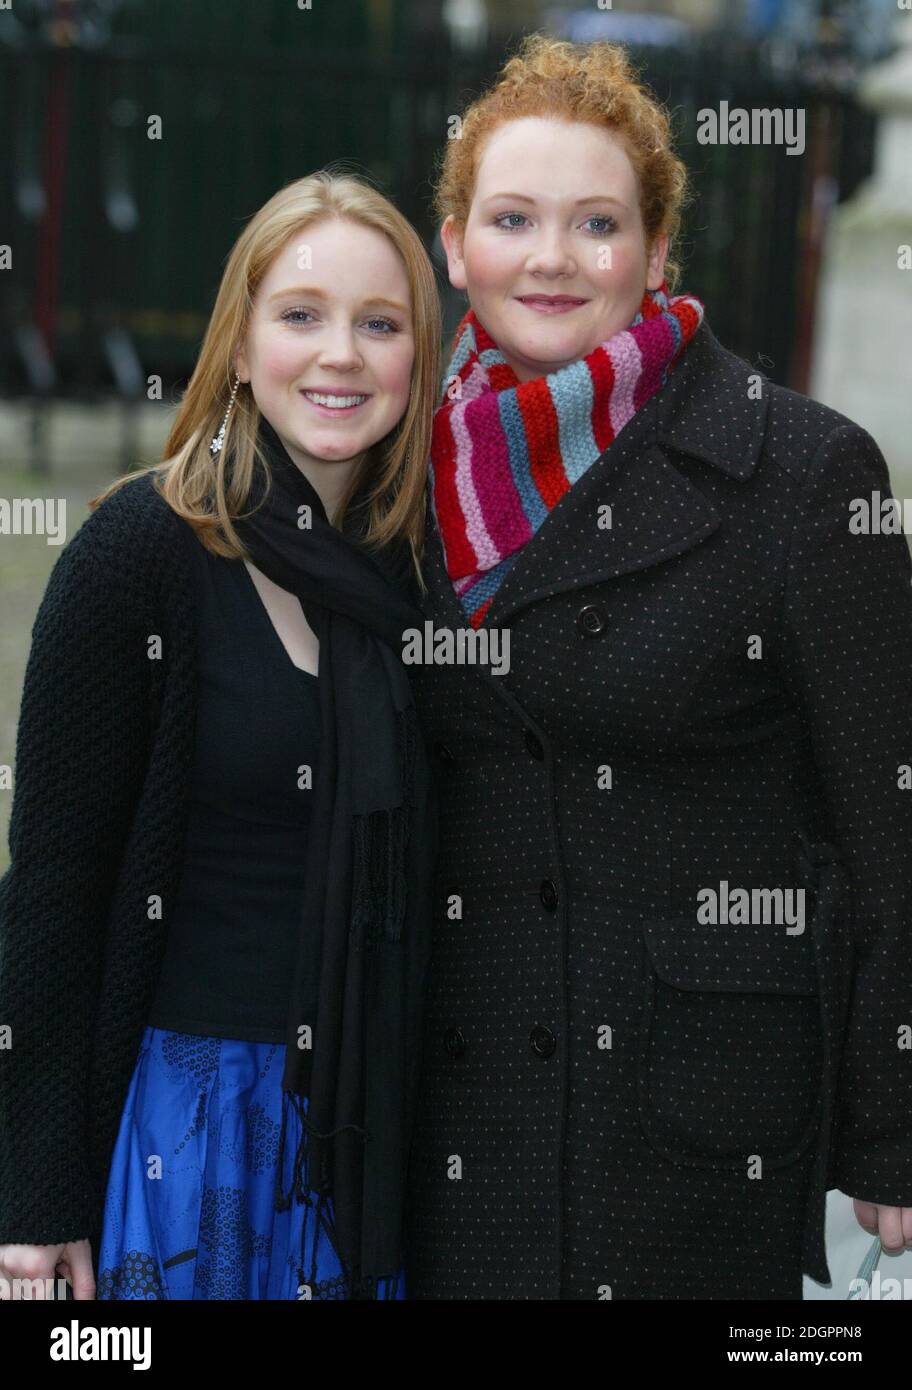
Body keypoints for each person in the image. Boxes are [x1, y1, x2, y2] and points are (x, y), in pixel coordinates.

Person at [402, 33, 912, 1299]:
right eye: (513, 218)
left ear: (656, 252)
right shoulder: (391, 470)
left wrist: (894, 1128)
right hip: (447, 1112)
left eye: (598, 223)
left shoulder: (801, 472)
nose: (554, 258)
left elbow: (891, 816)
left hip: (696, 1117)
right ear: (456, 244)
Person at [0, 170, 441, 1300]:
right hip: (179, 1126)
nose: (340, 352)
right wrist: (34, 1204)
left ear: (415, 357)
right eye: (300, 314)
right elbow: (51, 895)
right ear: (239, 348)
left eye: (379, 322)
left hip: (362, 1134)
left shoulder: (426, 579)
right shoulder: (136, 556)